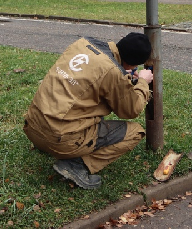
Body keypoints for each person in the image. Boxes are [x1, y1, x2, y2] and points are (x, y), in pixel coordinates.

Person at [23, 33, 154, 190]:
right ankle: (77, 165)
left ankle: (47, 144)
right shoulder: (113, 72)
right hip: (58, 139)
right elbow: (132, 110)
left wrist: (121, 77)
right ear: (132, 65)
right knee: (135, 132)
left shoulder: (82, 44)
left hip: (33, 127)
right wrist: (142, 82)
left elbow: (94, 76)